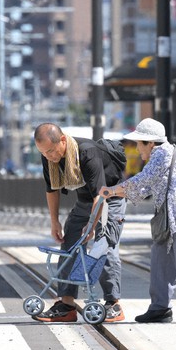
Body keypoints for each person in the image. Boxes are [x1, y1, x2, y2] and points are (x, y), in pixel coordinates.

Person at [101, 118, 176, 323]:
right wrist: (123, 192)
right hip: (172, 214)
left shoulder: (162, 154)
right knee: (160, 257)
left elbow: (143, 180)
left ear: (150, 143)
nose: (137, 148)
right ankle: (160, 307)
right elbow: (148, 186)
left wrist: (113, 190)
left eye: (139, 143)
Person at [33, 123, 127, 322]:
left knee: (104, 245)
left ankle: (113, 304)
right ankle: (67, 305)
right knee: (70, 244)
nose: (49, 156)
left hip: (111, 197)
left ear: (63, 140)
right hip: (86, 200)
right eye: (43, 152)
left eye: (51, 150)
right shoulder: (48, 158)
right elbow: (51, 190)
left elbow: (100, 195)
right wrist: (54, 222)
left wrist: (92, 227)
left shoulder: (87, 152)